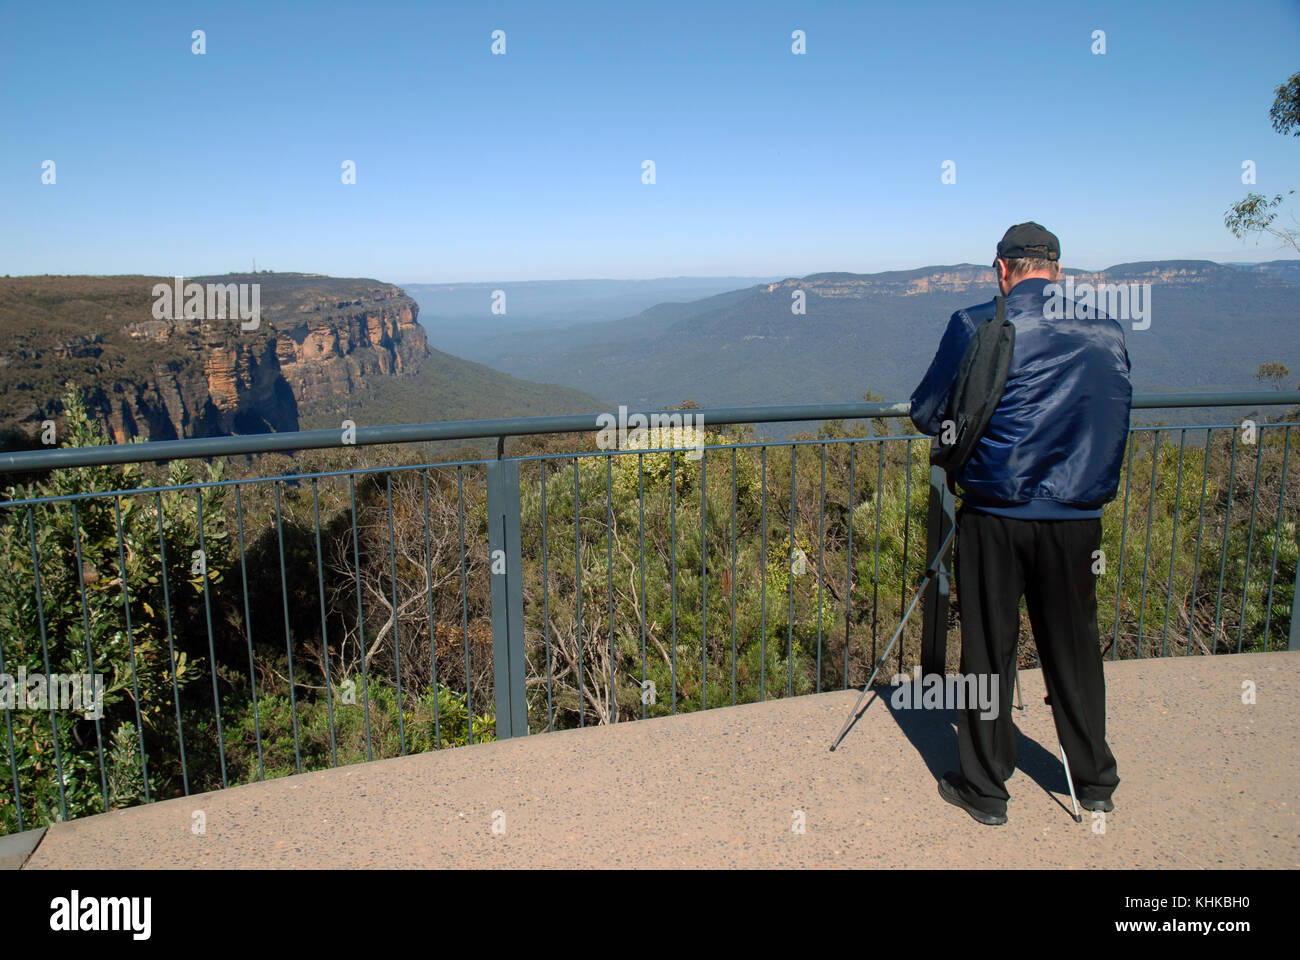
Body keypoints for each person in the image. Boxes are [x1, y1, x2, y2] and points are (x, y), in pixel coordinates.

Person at [909, 222, 1132, 826]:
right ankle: (1094, 783)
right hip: (1077, 517)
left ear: (1002, 269)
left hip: (996, 515)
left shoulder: (976, 324)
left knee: (988, 651)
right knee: (1075, 646)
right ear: (1057, 269)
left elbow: (927, 412)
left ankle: (986, 788)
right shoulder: (1107, 328)